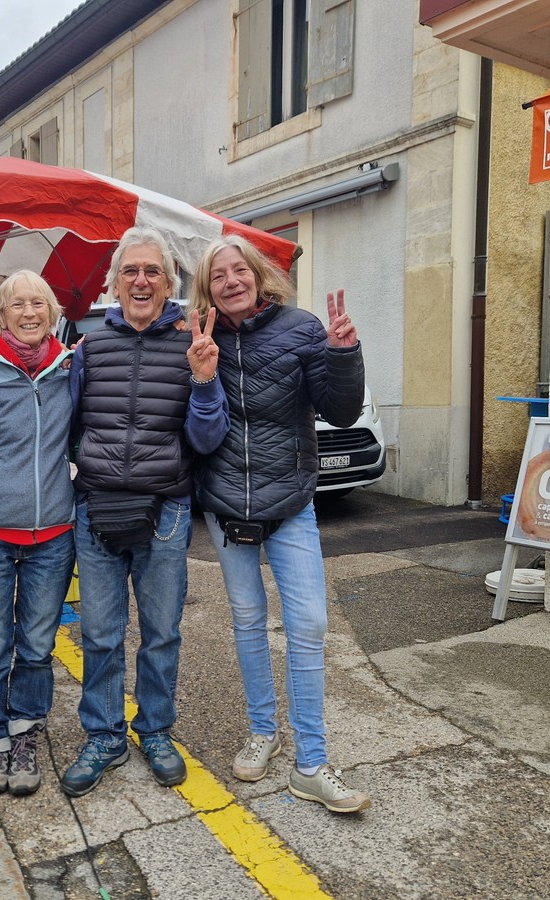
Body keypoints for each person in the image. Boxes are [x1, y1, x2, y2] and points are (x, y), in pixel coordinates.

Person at [189, 235, 371, 813]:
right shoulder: (199, 338)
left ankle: (311, 763)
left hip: (291, 501)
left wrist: (344, 355)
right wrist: (198, 372)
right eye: (218, 276)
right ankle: (262, 730)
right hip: (226, 504)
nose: (231, 281)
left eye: (239, 269)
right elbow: (195, 430)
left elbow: (339, 412)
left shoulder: (301, 328)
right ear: (207, 289)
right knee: (247, 620)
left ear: (258, 274)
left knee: (309, 625)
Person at [59, 226, 228, 797]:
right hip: (98, 508)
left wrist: (205, 381)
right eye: (130, 270)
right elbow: (66, 427)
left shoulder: (192, 343)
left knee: (160, 633)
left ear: (169, 282)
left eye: (152, 271)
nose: (140, 280)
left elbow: (207, 440)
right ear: (114, 281)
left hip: (166, 512)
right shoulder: (89, 346)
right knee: (100, 633)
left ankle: (155, 730)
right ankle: (104, 735)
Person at [0, 270, 75, 796]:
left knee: (35, 646)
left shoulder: (68, 370)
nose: (30, 313)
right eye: (17, 305)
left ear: (52, 313)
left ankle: (25, 734)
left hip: (53, 531)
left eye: (39, 304)